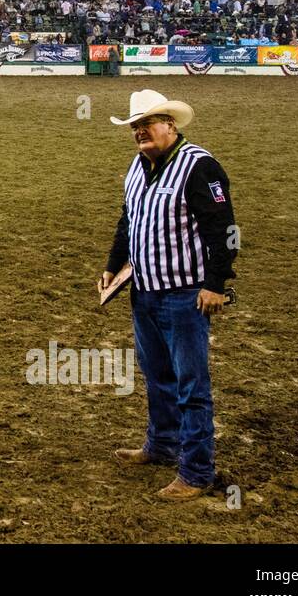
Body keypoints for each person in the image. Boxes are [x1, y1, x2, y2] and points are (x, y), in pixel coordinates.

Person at [99, 89, 238, 500]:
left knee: (191, 385)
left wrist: (216, 284)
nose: (141, 131)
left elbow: (222, 229)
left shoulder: (200, 166)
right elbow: (128, 221)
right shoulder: (137, 167)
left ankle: (196, 472)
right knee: (158, 375)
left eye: (149, 123)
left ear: (171, 126)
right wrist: (112, 265)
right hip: (143, 290)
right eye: (136, 126)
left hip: (185, 295)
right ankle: (161, 445)